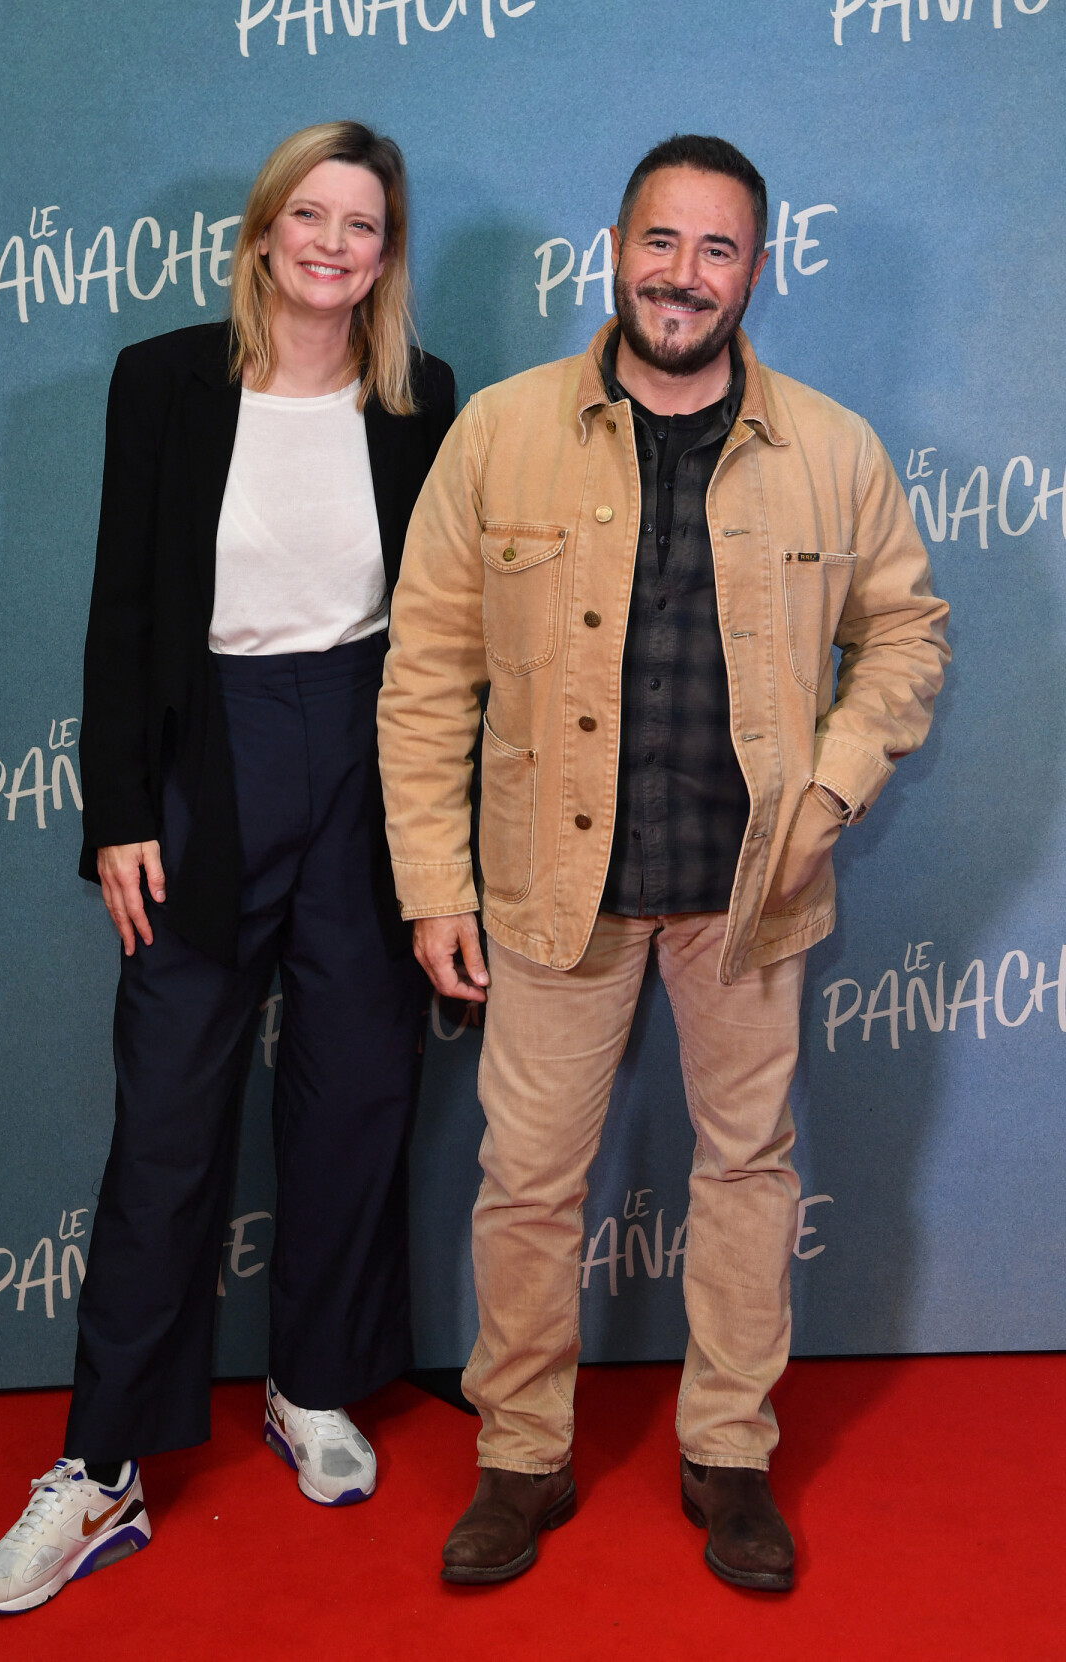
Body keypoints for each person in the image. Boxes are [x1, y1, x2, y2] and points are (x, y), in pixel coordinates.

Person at [377, 134, 948, 1592]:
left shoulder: (833, 448)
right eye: (660, 241)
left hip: (753, 891)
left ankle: (729, 1453)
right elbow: (428, 669)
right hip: (548, 891)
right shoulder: (500, 433)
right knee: (526, 1180)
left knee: (747, 1169)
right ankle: (521, 1453)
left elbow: (907, 633)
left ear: (757, 270)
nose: (681, 275)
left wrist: (831, 786)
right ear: (613, 246)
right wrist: (435, 882)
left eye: (716, 250)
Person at [0, 121, 455, 1615]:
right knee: (170, 1119)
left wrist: (447, 831)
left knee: (359, 1091)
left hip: (369, 749)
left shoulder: (424, 395)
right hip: (208, 764)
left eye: (362, 225)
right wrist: (120, 804)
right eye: (310, 213)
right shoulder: (164, 379)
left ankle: (312, 1384)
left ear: (387, 254)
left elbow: (443, 629)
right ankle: (99, 1468)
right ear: (263, 228)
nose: (332, 244)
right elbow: (122, 606)